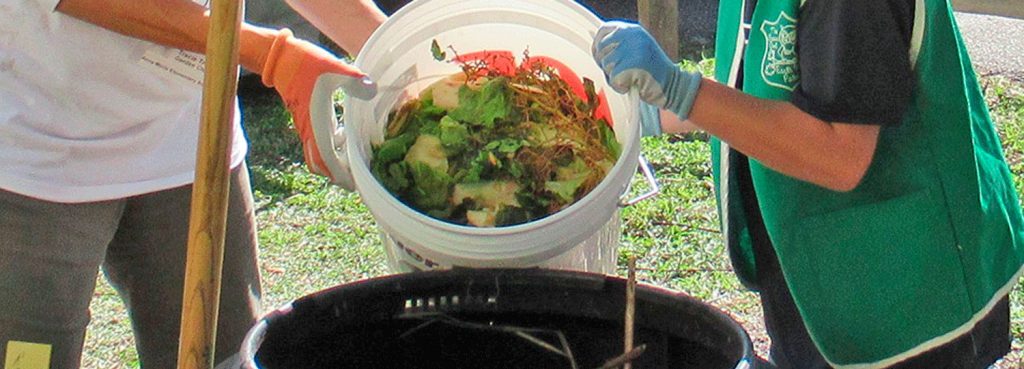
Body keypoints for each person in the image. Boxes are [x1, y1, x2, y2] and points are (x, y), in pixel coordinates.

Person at [592, 0, 1024, 368]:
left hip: (909, 296)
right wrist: (661, 110)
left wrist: (682, 91)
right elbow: (780, 73)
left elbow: (840, 156)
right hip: (820, 281)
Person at [0, 0, 385, 368]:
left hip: (193, 139)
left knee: (226, 357)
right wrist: (270, 54)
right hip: (37, 157)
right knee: (27, 360)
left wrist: (397, 58)